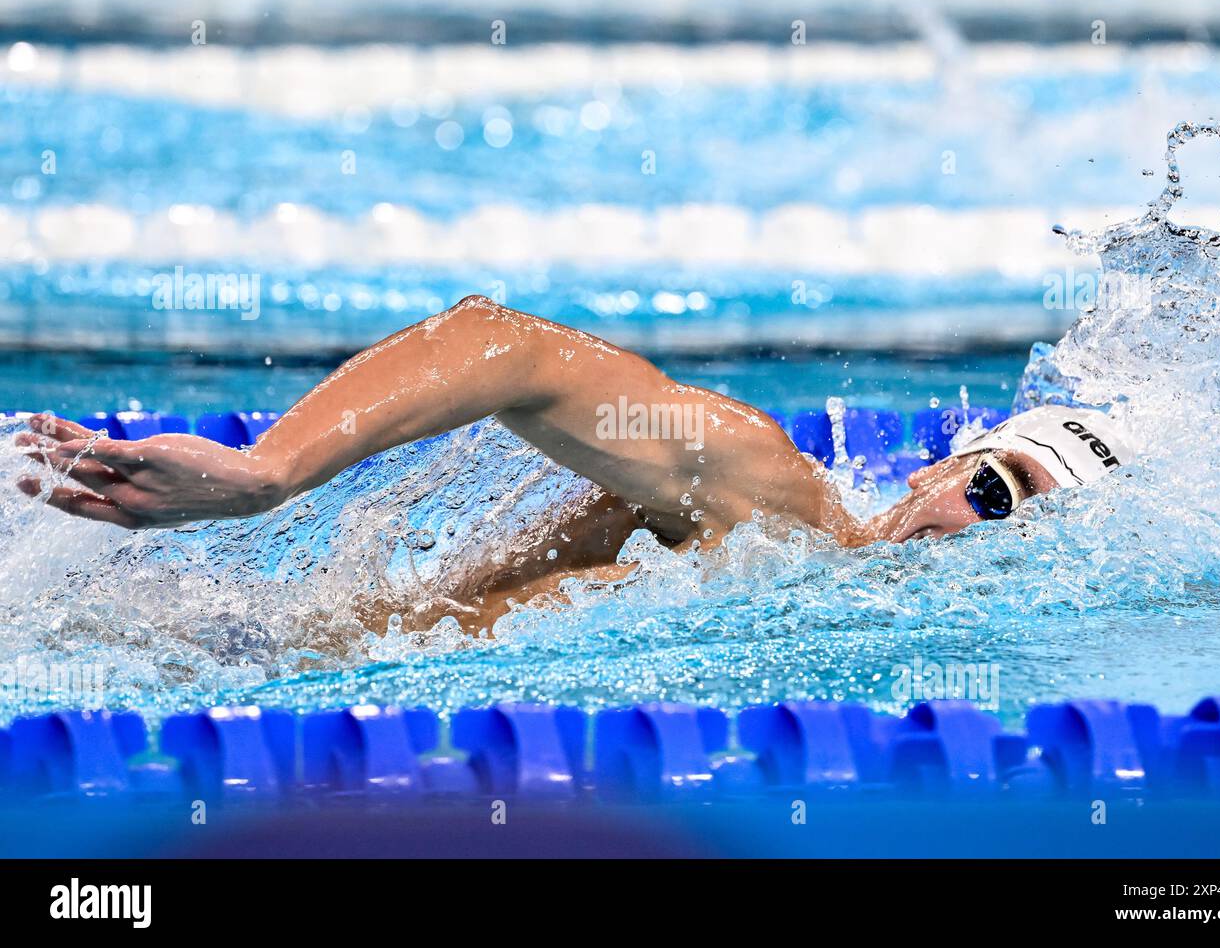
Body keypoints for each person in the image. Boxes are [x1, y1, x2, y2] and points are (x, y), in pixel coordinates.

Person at [14, 295, 1135, 631]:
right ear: (938, 472)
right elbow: (509, 348)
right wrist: (268, 475)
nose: (982, 535)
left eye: (1024, 535)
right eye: (996, 491)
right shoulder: (773, 502)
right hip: (241, 667)